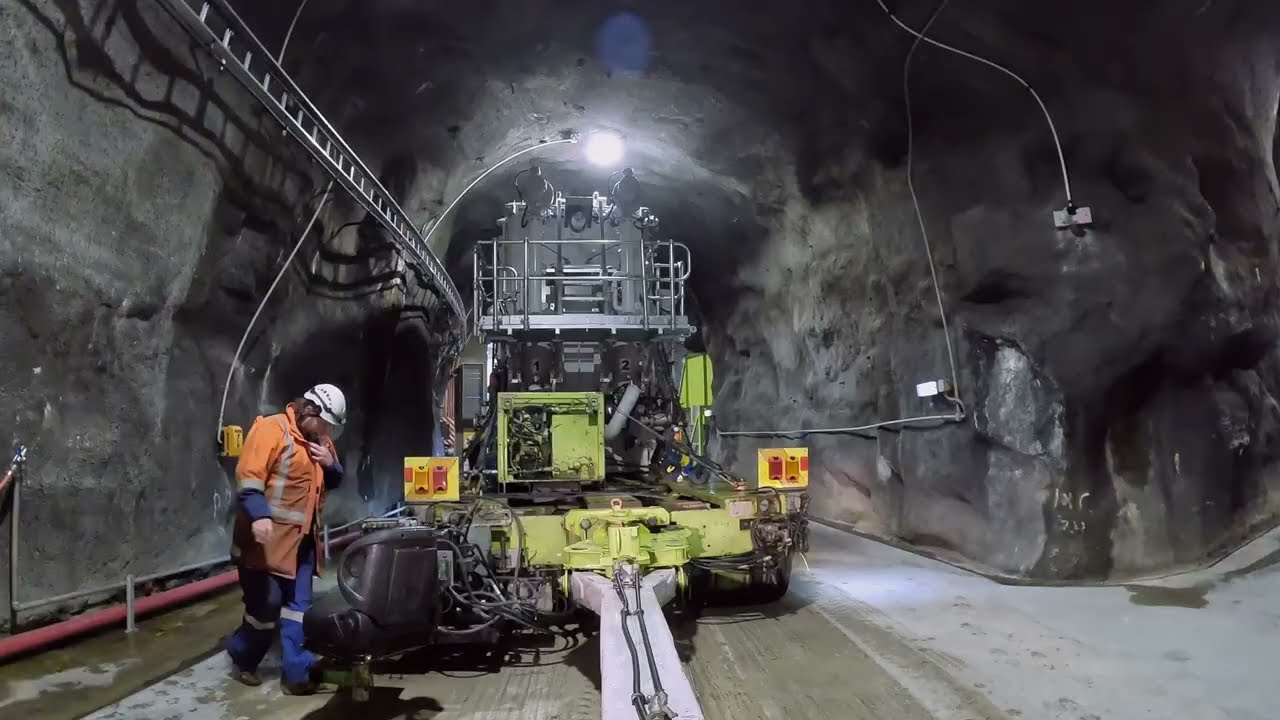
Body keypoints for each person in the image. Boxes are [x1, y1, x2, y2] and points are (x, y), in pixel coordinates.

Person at [225, 383, 347, 694]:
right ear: (311, 411)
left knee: (298, 610)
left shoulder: (320, 441)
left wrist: (329, 464)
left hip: (302, 546)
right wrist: (260, 514)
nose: (327, 431)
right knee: (265, 609)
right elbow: (249, 476)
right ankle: (243, 657)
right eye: (326, 423)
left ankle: (297, 676)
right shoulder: (271, 430)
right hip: (264, 544)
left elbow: (335, 478)